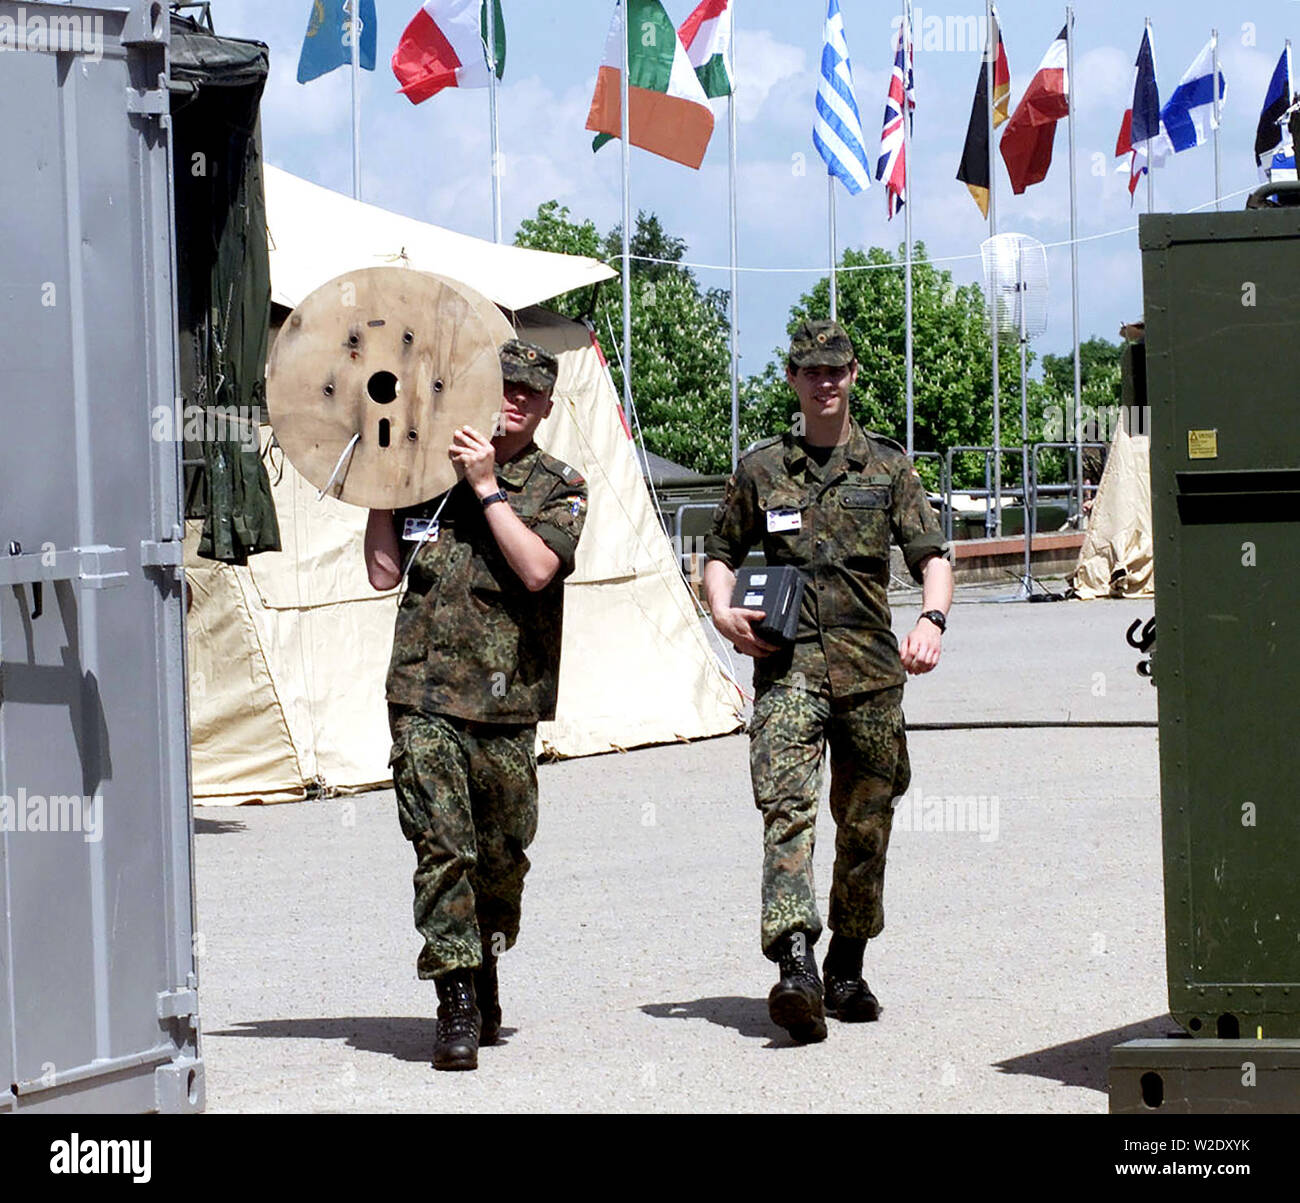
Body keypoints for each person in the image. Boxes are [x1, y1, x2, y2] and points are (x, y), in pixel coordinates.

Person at [703, 318, 953, 1044]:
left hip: (873, 674)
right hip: (787, 673)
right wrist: (721, 610)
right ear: (793, 379)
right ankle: (794, 966)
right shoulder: (760, 469)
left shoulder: (888, 468)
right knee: (787, 812)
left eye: (835, 371)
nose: (824, 382)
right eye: (810, 372)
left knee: (867, 823)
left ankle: (847, 962)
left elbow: (932, 554)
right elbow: (719, 549)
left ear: (850, 376)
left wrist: (932, 620)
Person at [364, 339, 587, 1071]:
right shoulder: (428, 475)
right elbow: (381, 572)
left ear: (547, 406)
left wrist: (488, 487)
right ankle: (454, 996)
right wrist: (381, 485)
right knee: (443, 849)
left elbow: (535, 569)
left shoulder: (560, 484)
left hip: (505, 703)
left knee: (501, 857)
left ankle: (485, 960)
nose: (513, 401)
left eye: (529, 394)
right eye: (504, 388)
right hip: (423, 693)